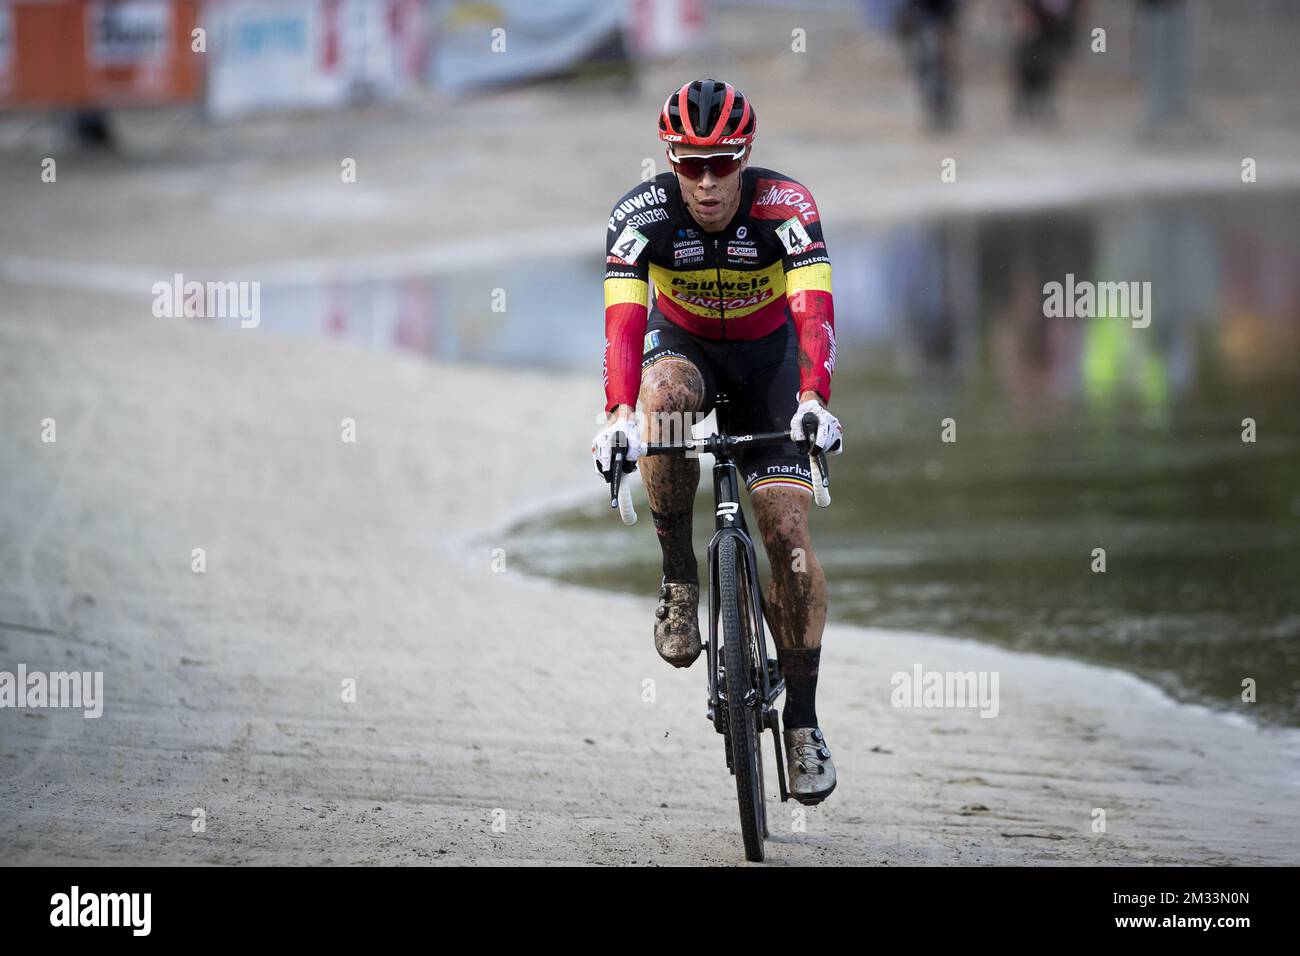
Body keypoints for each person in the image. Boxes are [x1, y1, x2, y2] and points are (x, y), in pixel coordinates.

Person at [590, 79, 843, 804]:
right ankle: (678, 576)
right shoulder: (640, 216)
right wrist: (616, 414)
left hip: (771, 366)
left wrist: (814, 398)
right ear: (669, 159)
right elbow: (624, 323)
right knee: (661, 403)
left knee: (788, 534)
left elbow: (813, 308)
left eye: (722, 162)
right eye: (689, 163)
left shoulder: (785, 208)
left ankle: (801, 722)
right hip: (686, 351)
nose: (705, 182)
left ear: (746, 156)